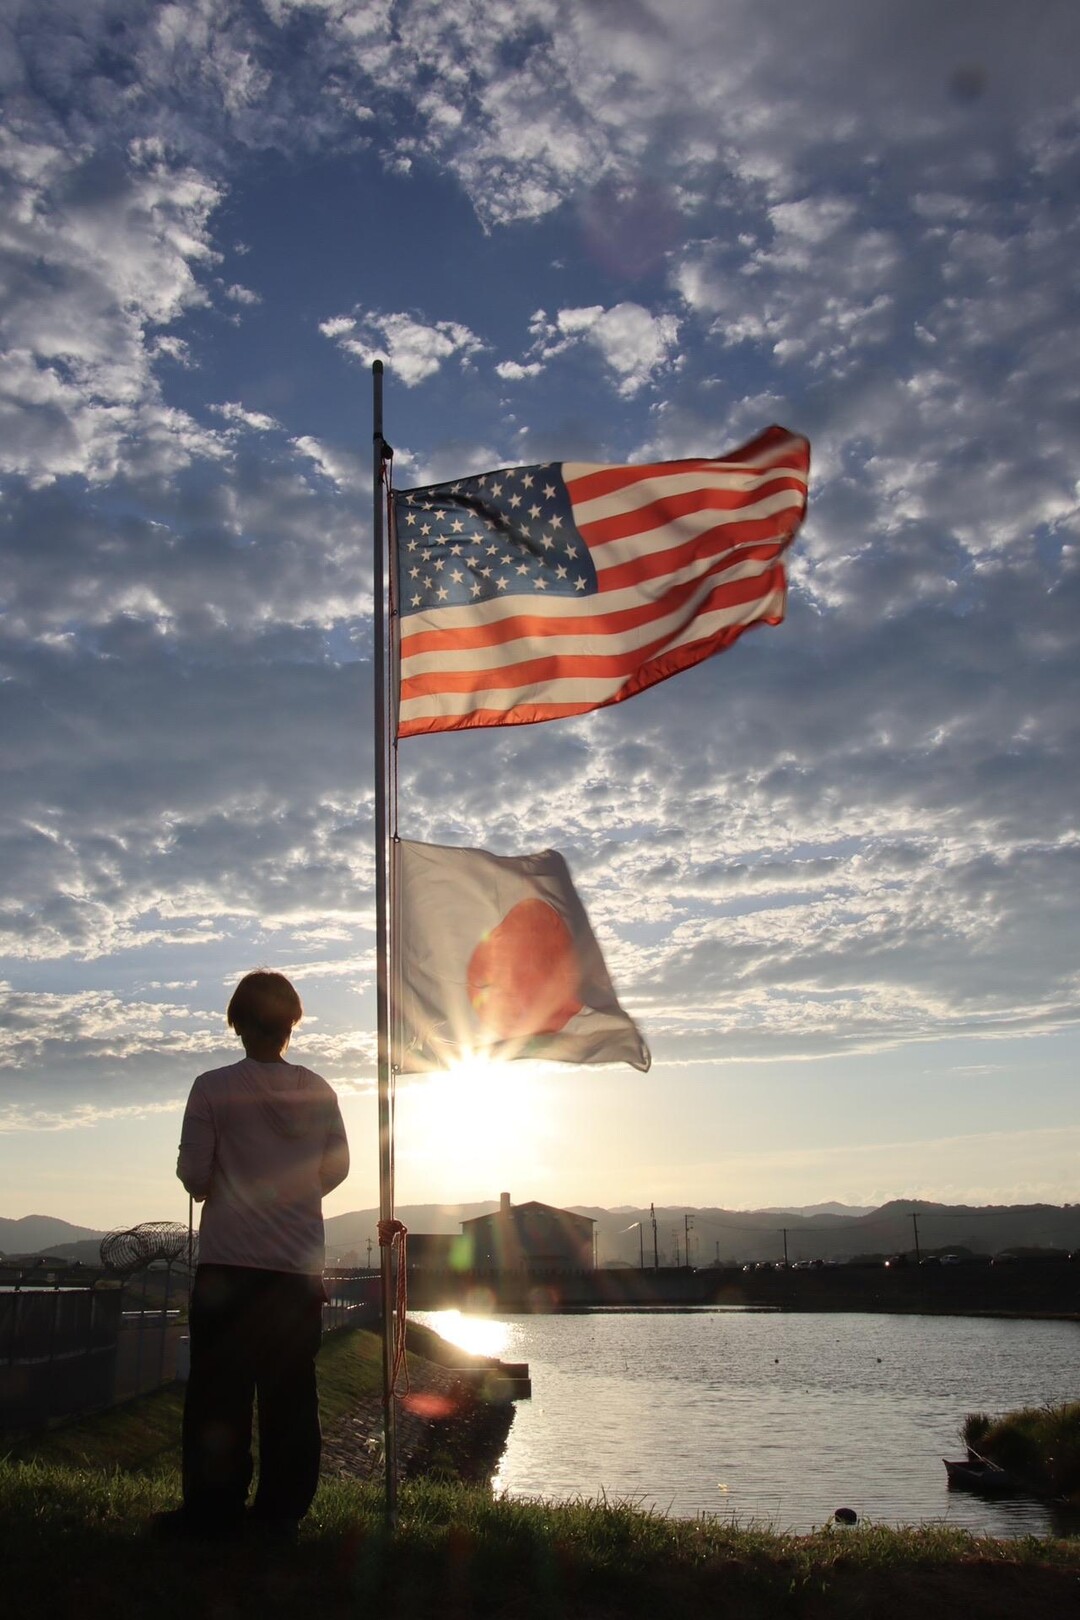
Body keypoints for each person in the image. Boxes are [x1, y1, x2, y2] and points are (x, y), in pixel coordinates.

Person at [161, 970, 349, 1542]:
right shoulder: (318, 1089)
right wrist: (296, 1196)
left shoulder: (212, 1088)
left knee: (220, 1394)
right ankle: (280, 1515)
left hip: (228, 1270)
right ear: (291, 1025)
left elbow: (193, 1172)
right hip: (295, 1272)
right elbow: (338, 1166)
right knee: (290, 1395)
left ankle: (212, 1512)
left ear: (238, 1024)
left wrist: (215, 1187)